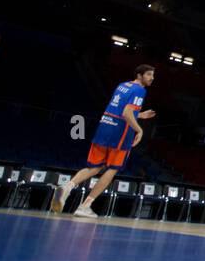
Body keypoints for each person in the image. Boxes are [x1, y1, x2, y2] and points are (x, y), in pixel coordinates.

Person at [55, 65, 156, 216]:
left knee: (94, 167)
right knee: (112, 169)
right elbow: (127, 113)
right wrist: (139, 129)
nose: (152, 78)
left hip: (105, 127)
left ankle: (67, 186)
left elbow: (121, 110)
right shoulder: (140, 90)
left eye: (152, 75)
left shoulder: (122, 86)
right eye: (149, 75)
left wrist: (139, 115)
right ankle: (85, 206)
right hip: (120, 134)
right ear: (139, 75)